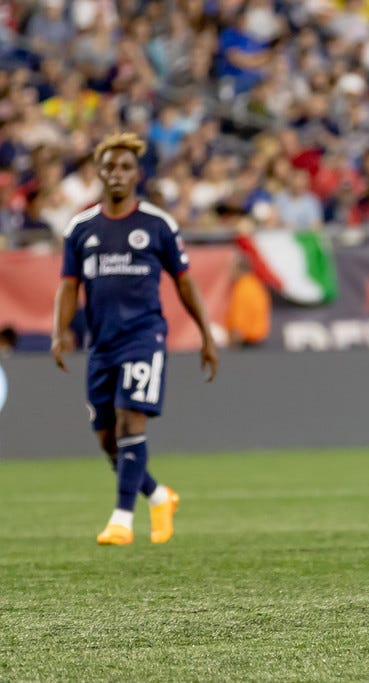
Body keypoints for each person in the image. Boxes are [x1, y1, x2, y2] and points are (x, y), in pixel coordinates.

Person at [51, 132, 218, 546]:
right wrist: (59, 332)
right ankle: (160, 496)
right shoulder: (81, 228)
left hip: (143, 335)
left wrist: (206, 334)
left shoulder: (157, 224)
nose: (117, 174)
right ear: (99, 172)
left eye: (125, 167)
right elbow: (69, 285)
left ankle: (122, 519)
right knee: (109, 440)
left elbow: (184, 283)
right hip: (100, 343)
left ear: (137, 174)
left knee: (130, 420)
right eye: (109, 167)